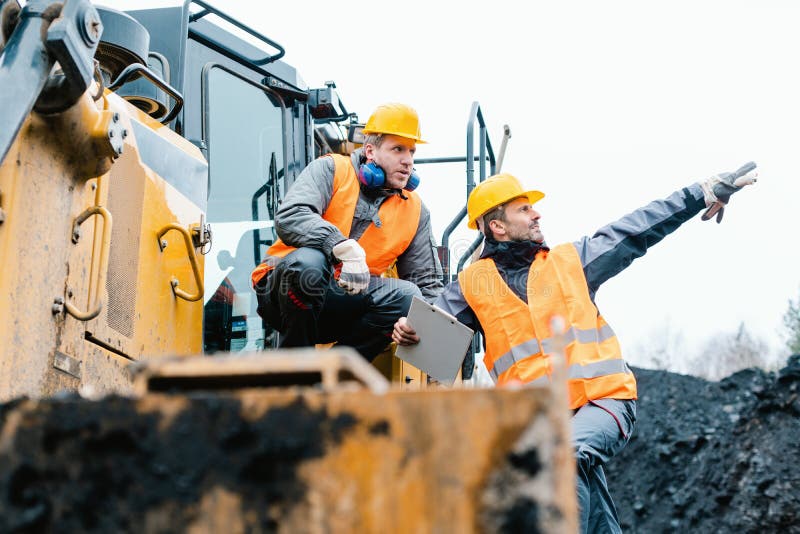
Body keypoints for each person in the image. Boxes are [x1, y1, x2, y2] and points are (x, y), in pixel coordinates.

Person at [392, 164, 757, 533]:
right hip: (543, 424)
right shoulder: (471, 285)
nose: (536, 214)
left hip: (604, 400)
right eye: (524, 209)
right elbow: (426, 341)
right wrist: (407, 332)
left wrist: (700, 193)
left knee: (562, 459)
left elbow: (638, 228)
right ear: (497, 226)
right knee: (590, 509)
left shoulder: (572, 262)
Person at [251, 103, 443, 361]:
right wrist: (340, 246)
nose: (408, 160)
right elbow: (291, 215)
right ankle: (295, 370)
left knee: (408, 297)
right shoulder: (332, 169)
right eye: (398, 149)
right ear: (370, 151)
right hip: (284, 293)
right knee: (309, 264)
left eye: (411, 151)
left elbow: (426, 284)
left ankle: (337, 371)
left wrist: (422, 326)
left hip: (344, 300)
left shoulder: (416, 210)